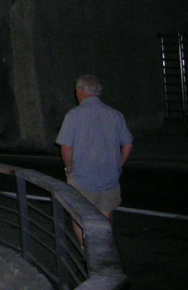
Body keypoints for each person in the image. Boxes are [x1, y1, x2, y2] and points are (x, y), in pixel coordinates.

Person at [56, 74, 134, 244]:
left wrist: (69, 169)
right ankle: (105, 248)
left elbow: (66, 147)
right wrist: (118, 165)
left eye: (77, 90)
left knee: (80, 217)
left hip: (82, 177)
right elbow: (128, 144)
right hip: (110, 178)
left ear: (82, 91)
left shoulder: (74, 115)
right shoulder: (114, 114)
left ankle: (87, 253)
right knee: (105, 213)